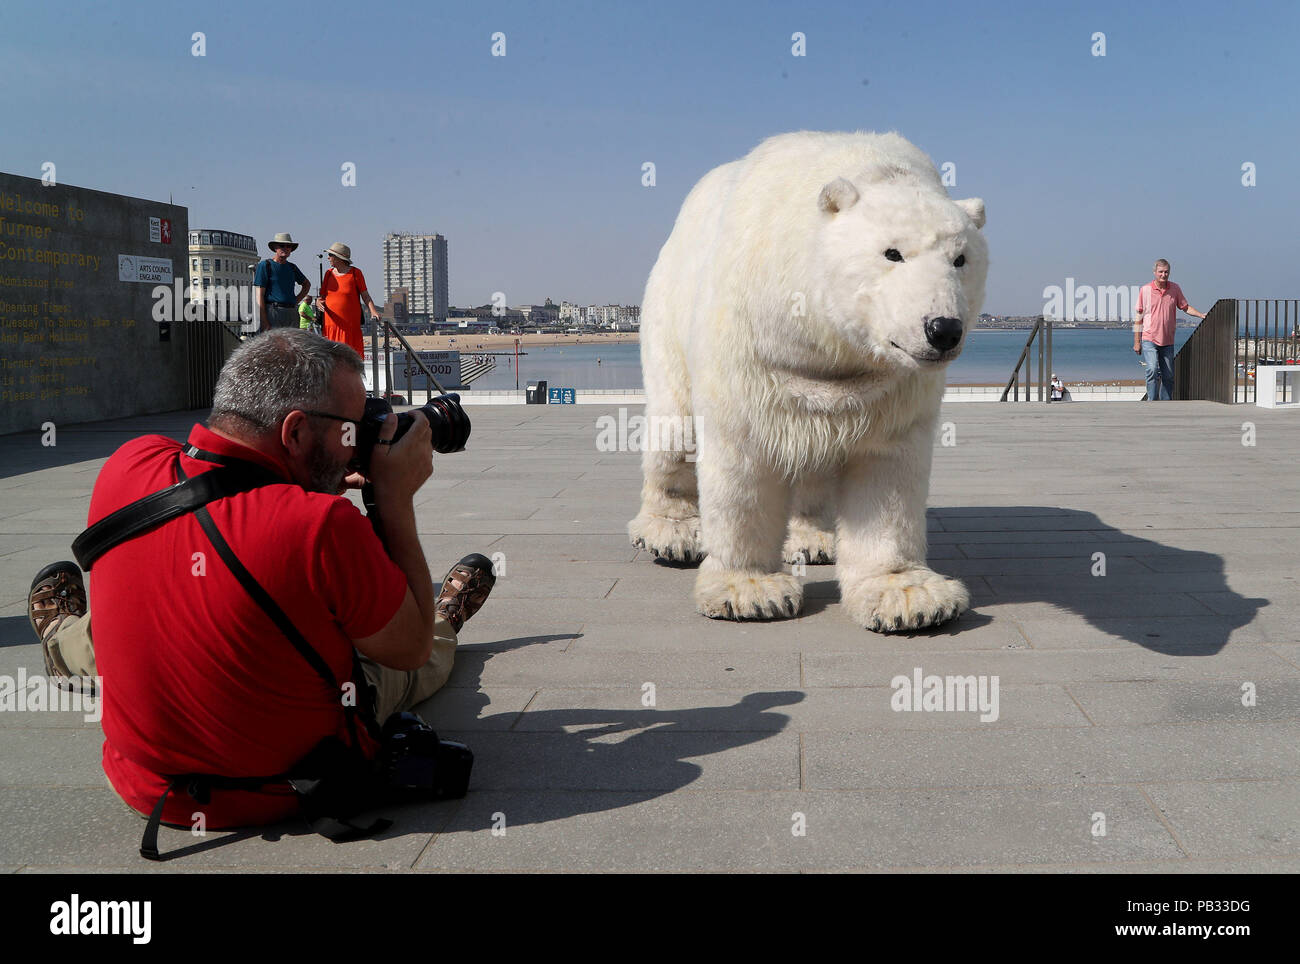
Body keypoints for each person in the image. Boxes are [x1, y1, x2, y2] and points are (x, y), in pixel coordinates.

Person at [26, 330, 495, 834]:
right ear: (294, 433)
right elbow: (407, 647)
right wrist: (394, 497)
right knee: (401, 663)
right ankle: (446, 615)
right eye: (351, 430)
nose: (358, 443)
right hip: (281, 789)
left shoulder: (129, 463)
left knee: (151, 612)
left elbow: (224, 478)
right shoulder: (322, 525)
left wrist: (308, 473)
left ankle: (62, 639)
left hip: (145, 784)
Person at [1133, 259, 1207, 401]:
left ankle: (1166, 404)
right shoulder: (1145, 290)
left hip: (1167, 339)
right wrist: (1137, 341)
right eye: (1160, 272)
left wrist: (1200, 315)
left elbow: (1185, 307)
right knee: (1152, 369)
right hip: (1149, 338)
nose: (1163, 274)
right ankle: (1152, 402)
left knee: (1168, 375)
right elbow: (1138, 318)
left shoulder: (1175, 289)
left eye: (1166, 272)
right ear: (1155, 273)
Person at [319, 242, 381, 357]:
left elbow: (365, 296)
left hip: (349, 324)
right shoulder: (328, 273)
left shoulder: (355, 273)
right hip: (331, 324)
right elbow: (322, 296)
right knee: (332, 357)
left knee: (350, 357)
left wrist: (373, 311)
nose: (328, 258)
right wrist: (318, 302)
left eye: (331, 255)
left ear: (339, 258)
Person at [255, 233, 312, 331]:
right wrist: (264, 320)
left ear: (291, 249)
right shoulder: (265, 265)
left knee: (293, 344)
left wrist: (295, 300)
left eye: (288, 246)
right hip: (274, 311)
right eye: (282, 246)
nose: (285, 248)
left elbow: (307, 284)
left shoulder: (292, 267)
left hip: (292, 312)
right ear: (275, 248)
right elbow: (259, 295)